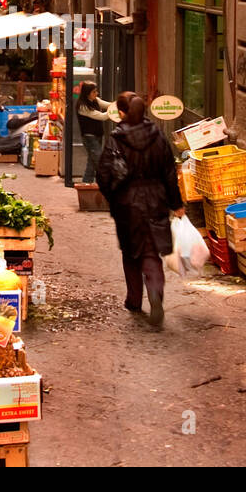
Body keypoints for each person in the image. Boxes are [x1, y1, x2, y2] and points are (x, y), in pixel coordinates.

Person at [97, 92, 186, 328]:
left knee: (130, 252)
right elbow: (170, 173)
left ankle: (134, 300)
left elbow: (104, 175)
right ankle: (156, 294)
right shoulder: (159, 137)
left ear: (123, 113)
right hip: (156, 200)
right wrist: (176, 204)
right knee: (150, 253)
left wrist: (113, 198)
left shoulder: (116, 139)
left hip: (127, 205)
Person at [76, 81, 115, 184]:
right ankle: (106, 183)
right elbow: (101, 116)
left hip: (97, 136)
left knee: (92, 162)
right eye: (94, 92)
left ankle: (86, 183)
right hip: (89, 137)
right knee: (99, 161)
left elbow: (108, 105)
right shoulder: (82, 106)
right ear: (87, 93)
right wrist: (115, 111)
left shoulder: (95, 100)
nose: (96, 93)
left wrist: (119, 104)